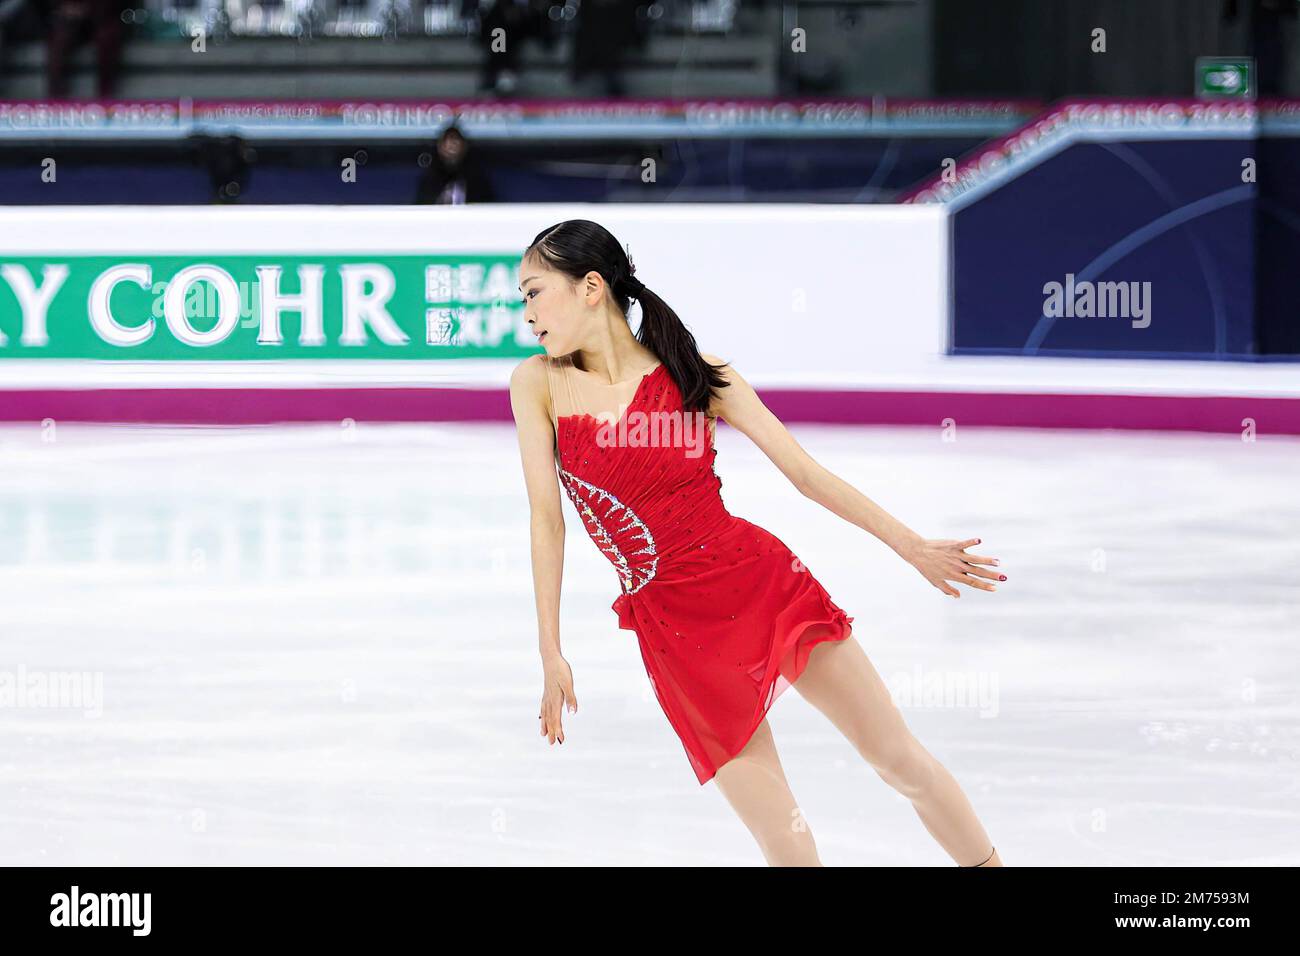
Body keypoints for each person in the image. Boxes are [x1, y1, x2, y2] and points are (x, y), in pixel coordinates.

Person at [509, 219, 1005, 867]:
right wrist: (550, 649)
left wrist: (910, 546)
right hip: (677, 638)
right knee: (784, 836)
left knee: (898, 760)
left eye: (534, 292)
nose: (527, 314)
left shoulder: (697, 373)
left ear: (591, 288)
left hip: (763, 588)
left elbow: (805, 475)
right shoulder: (538, 385)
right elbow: (547, 521)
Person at [46, 0, 129, 99]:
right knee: (59, 38)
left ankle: (106, 95)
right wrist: (65, 8)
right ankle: (56, 97)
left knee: (107, 37)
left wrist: (89, 9)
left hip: (104, 16)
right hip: (70, 18)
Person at [414, 124, 495, 204]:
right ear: (439, 147)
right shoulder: (430, 180)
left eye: (456, 140)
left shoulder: (477, 179)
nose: (452, 145)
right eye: (447, 140)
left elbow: (488, 207)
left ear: (465, 146)